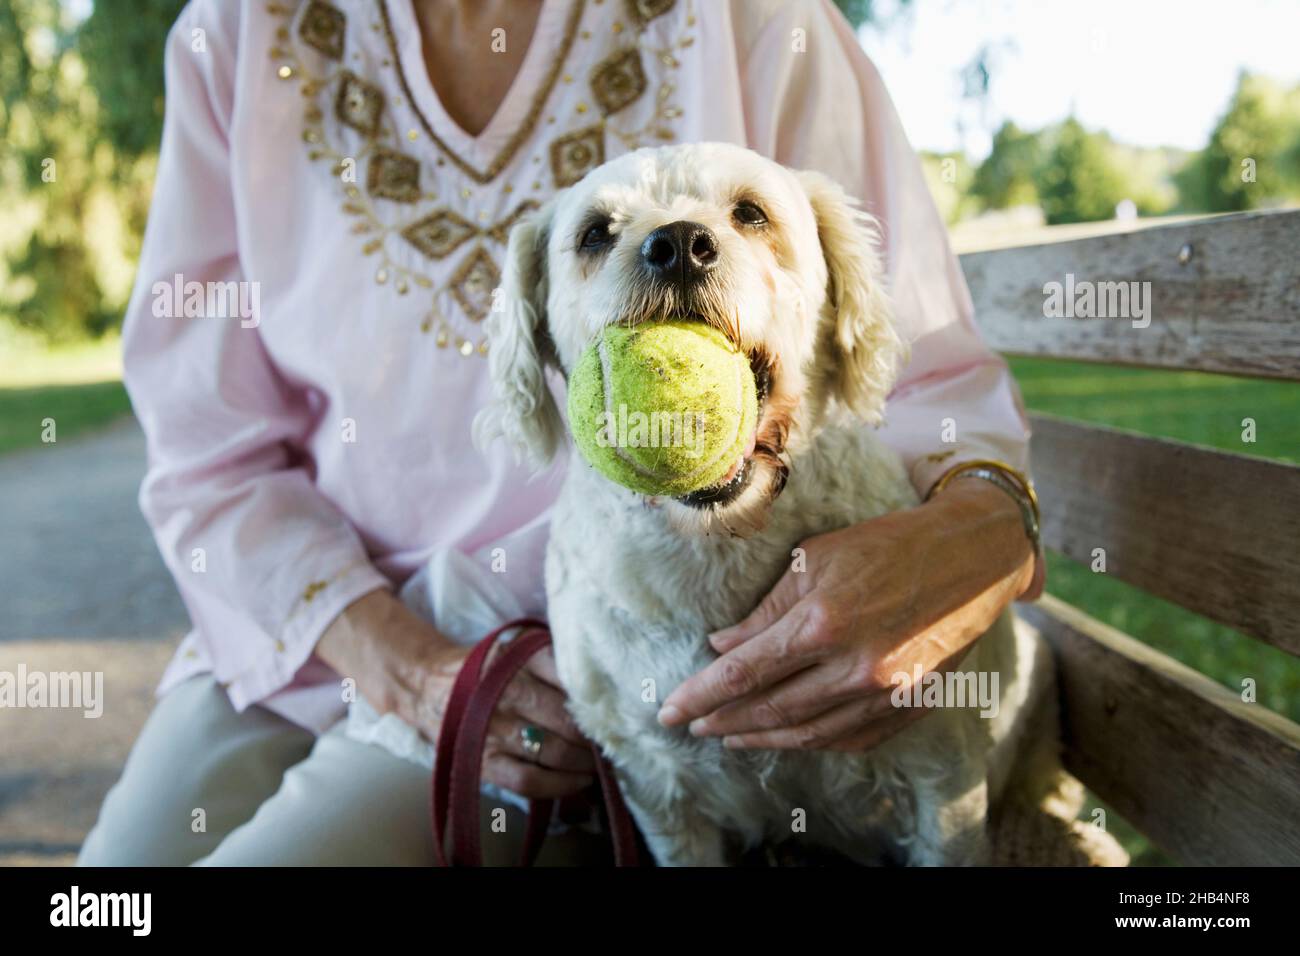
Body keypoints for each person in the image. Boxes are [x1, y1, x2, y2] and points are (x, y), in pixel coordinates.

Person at [79, 0, 1041, 866]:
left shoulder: (755, 17)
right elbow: (210, 451)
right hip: (301, 633)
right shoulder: (237, 35)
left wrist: (973, 540)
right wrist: (407, 669)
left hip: (561, 676)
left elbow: (920, 368)